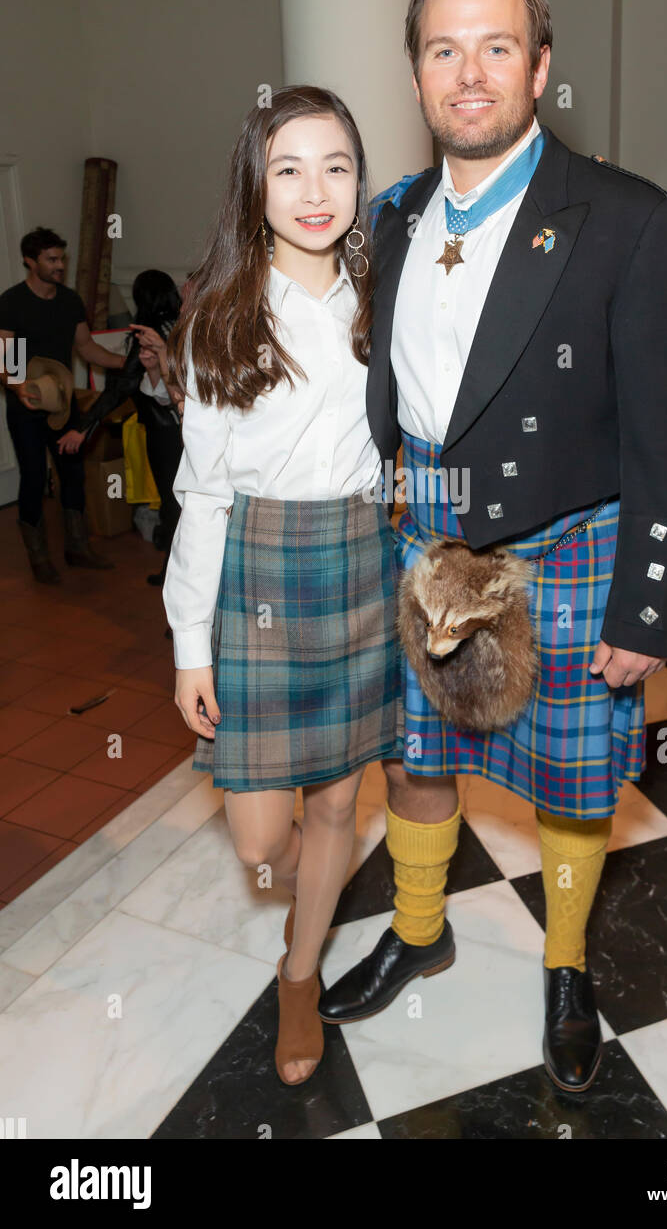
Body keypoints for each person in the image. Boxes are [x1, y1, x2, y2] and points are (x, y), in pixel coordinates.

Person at [316, 0, 667, 1094]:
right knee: (416, 756)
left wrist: (645, 606)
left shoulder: (630, 220)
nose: (469, 72)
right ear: (416, 73)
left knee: (572, 784)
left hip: (566, 547)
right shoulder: (387, 217)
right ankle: (419, 922)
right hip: (422, 541)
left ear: (540, 69)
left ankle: (565, 964)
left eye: (497, 46)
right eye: (444, 49)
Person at [162, 87, 403, 1087]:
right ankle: (302, 902)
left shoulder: (382, 300)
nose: (315, 190)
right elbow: (201, 493)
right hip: (257, 564)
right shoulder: (218, 314)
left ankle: (299, 975)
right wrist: (189, 645)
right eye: (289, 167)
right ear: (254, 184)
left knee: (341, 807)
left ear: (360, 178)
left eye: (337, 165)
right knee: (262, 829)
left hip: (357, 557)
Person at [0, 226, 127, 581]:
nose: (59, 266)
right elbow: (8, 357)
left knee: (72, 473)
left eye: (62, 259)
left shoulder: (69, 301)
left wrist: (124, 362)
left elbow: (85, 348)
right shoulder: (13, 303)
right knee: (34, 476)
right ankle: (38, 556)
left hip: (64, 404)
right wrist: (19, 386)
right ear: (30, 261)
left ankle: (77, 547)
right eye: (51, 259)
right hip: (26, 404)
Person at [57, 269, 185, 587]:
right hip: (187, 432)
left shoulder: (150, 332)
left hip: (167, 436)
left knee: (173, 505)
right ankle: (175, 570)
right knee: (182, 504)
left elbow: (119, 389)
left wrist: (84, 428)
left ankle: (175, 574)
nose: (61, 266)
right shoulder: (182, 328)